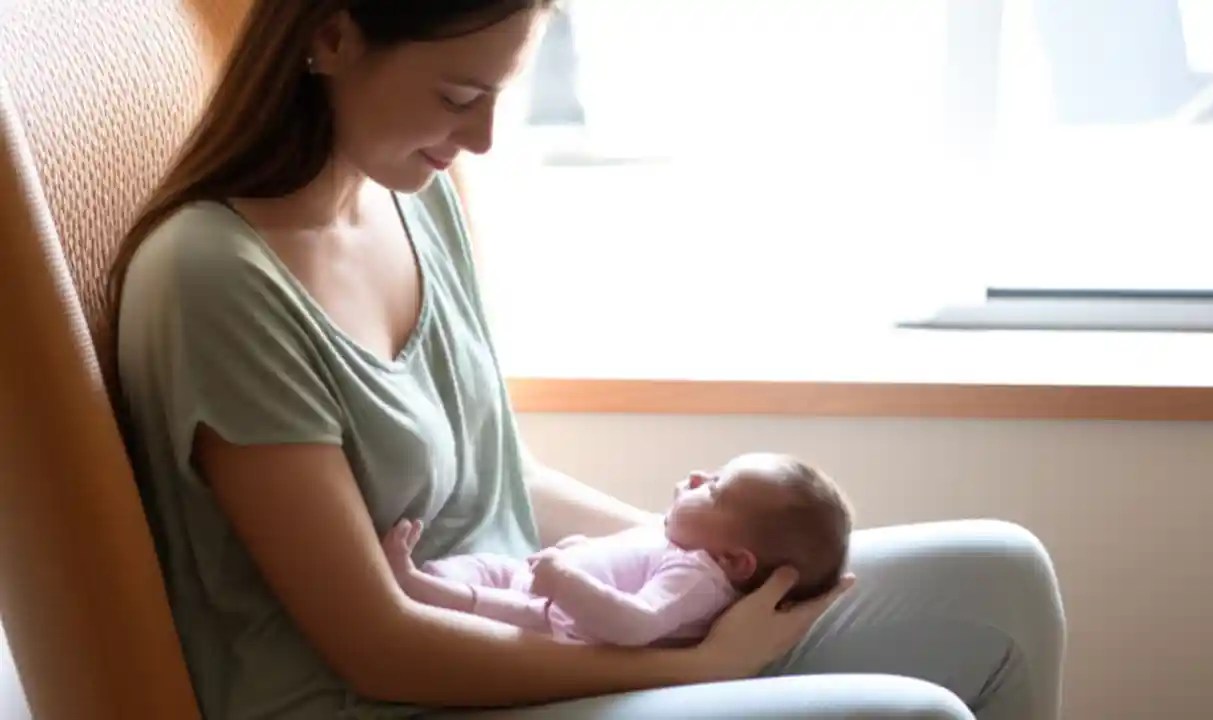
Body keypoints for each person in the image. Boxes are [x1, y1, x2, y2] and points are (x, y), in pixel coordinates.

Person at [111, 2, 1065, 718]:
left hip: (539, 617)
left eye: (498, 96)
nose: (483, 138)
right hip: (394, 695)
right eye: (458, 96)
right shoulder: (215, 280)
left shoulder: (408, 196)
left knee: (1001, 576)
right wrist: (692, 664)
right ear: (331, 36)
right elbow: (379, 648)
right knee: (913, 715)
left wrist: (692, 571)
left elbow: (503, 476)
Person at [380, 453, 853, 647]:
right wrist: (580, 551)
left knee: (481, 602)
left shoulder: (698, 580)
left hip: (554, 620)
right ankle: (420, 586)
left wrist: (567, 581)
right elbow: (628, 562)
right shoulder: (690, 552)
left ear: (735, 560)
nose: (696, 477)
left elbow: (637, 622)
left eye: (714, 489)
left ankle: (413, 588)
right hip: (542, 584)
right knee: (483, 571)